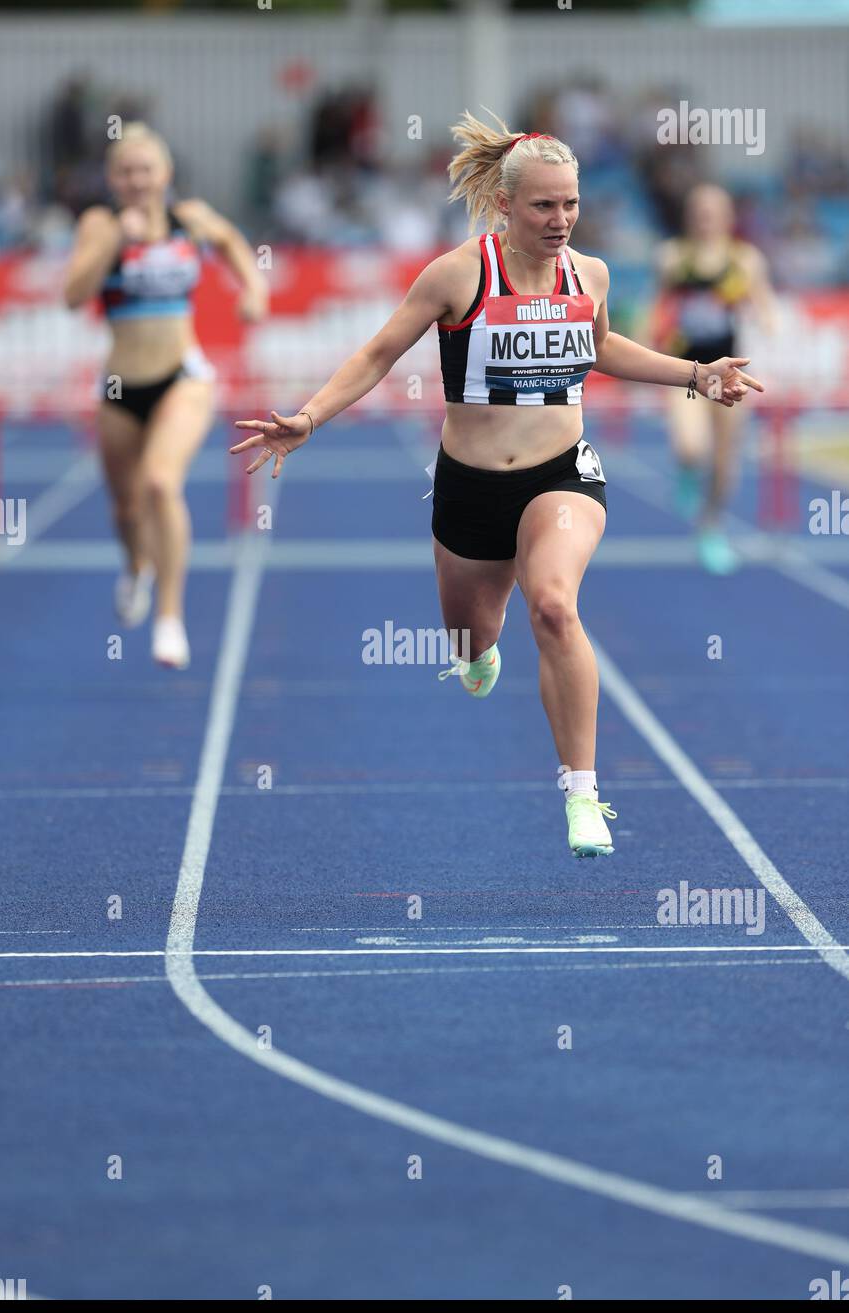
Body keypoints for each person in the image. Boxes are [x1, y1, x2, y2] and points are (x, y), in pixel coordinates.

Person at [231, 110, 762, 857]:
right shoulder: (459, 274)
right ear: (507, 205)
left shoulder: (592, 274)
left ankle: (583, 793)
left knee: (552, 606)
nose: (561, 219)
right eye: (544, 205)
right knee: (472, 640)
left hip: (562, 473)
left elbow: (602, 346)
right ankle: (478, 651)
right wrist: (310, 419)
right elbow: (380, 352)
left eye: (571, 203)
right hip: (471, 487)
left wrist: (697, 374)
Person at [64, 122, 267, 667]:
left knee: (159, 483)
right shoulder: (99, 223)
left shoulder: (189, 219)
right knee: (126, 509)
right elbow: (72, 294)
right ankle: (136, 569)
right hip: (119, 386)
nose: (136, 180)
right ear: (112, 178)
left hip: (183, 376)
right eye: (125, 171)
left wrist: (254, 288)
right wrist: (113, 240)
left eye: (145, 169)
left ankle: (170, 618)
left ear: (165, 174)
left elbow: (230, 241)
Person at [651, 183, 778, 573]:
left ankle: (711, 527)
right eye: (699, 211)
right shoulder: (673, 257)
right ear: (690, 216)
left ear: (727, 217)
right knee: (692, 446)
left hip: (728, 371)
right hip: (686, 370)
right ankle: (689, 471)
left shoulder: (744, 261)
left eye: (713, 211)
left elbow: (766, 309)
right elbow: (658, 306)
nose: (706, 218)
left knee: (725, 461)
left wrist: (760, 316)